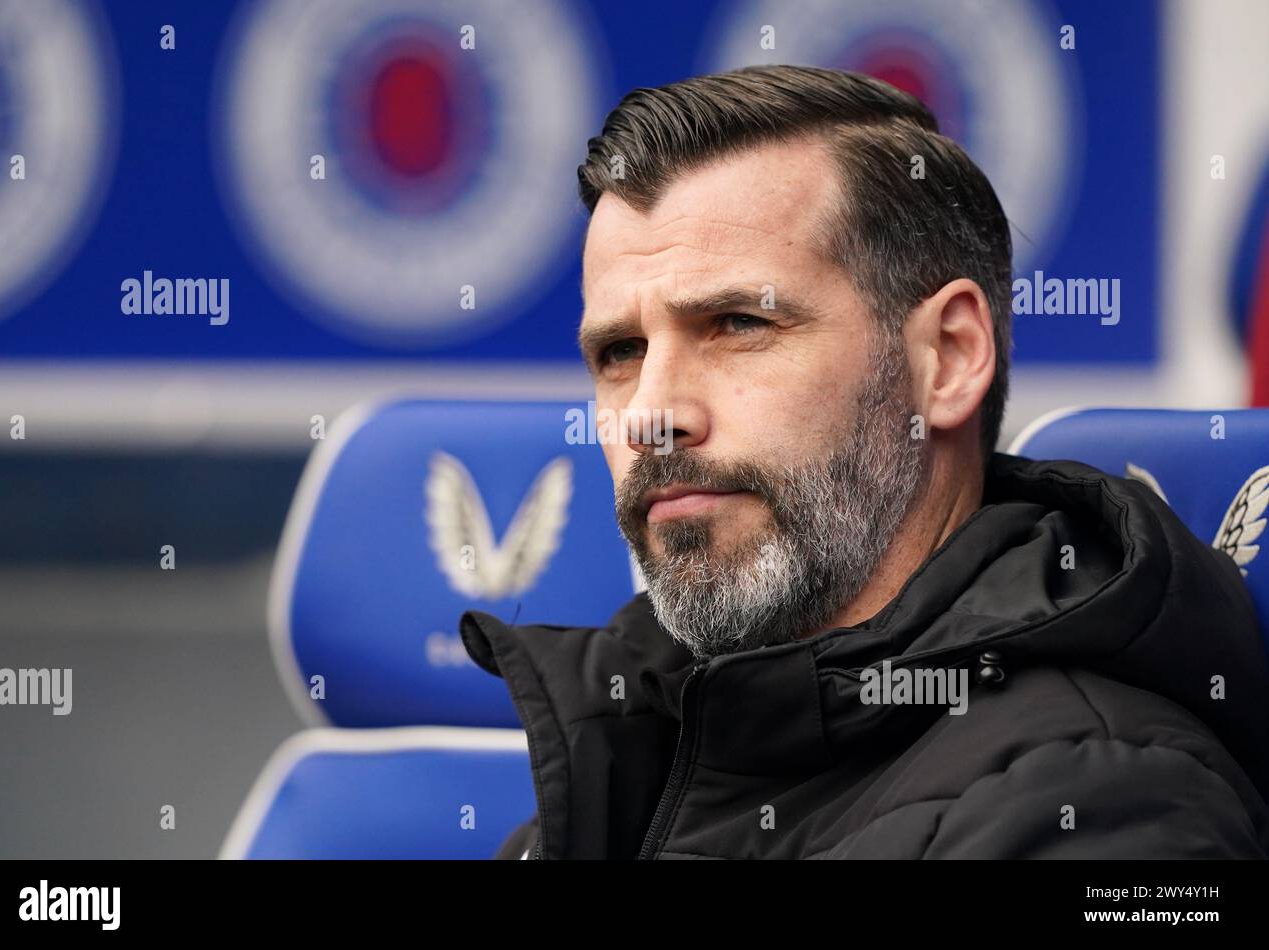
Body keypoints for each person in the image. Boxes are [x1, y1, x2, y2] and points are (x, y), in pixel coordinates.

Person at [459, 65, 1269, 859]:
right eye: (619, 351)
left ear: (947, 358)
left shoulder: (1100, 805)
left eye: (738, 324)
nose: (653, 416)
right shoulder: (628, 743)